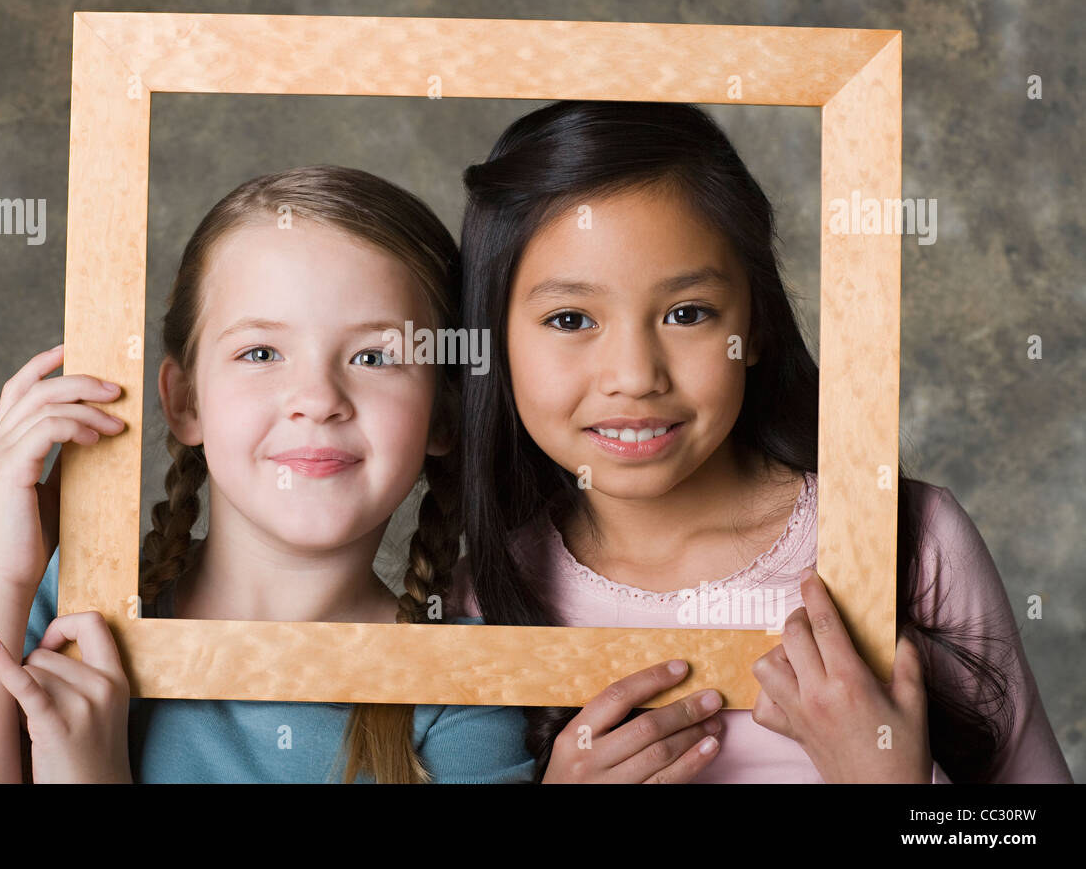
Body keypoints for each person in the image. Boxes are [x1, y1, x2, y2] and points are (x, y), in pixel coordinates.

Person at [452, 100, 1073, 783]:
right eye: (570, 319)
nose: (634, 377)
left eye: (688, 314)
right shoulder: (491, 593)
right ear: (494, 342)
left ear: (757, 325)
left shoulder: (911, 540)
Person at [0, 165, 536, 783]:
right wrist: (1, 571)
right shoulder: (75, 601)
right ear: (186, 402)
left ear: (443, 415)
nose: (316, 398)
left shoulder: (467, 687)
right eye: (260, 352)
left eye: (374, 355)